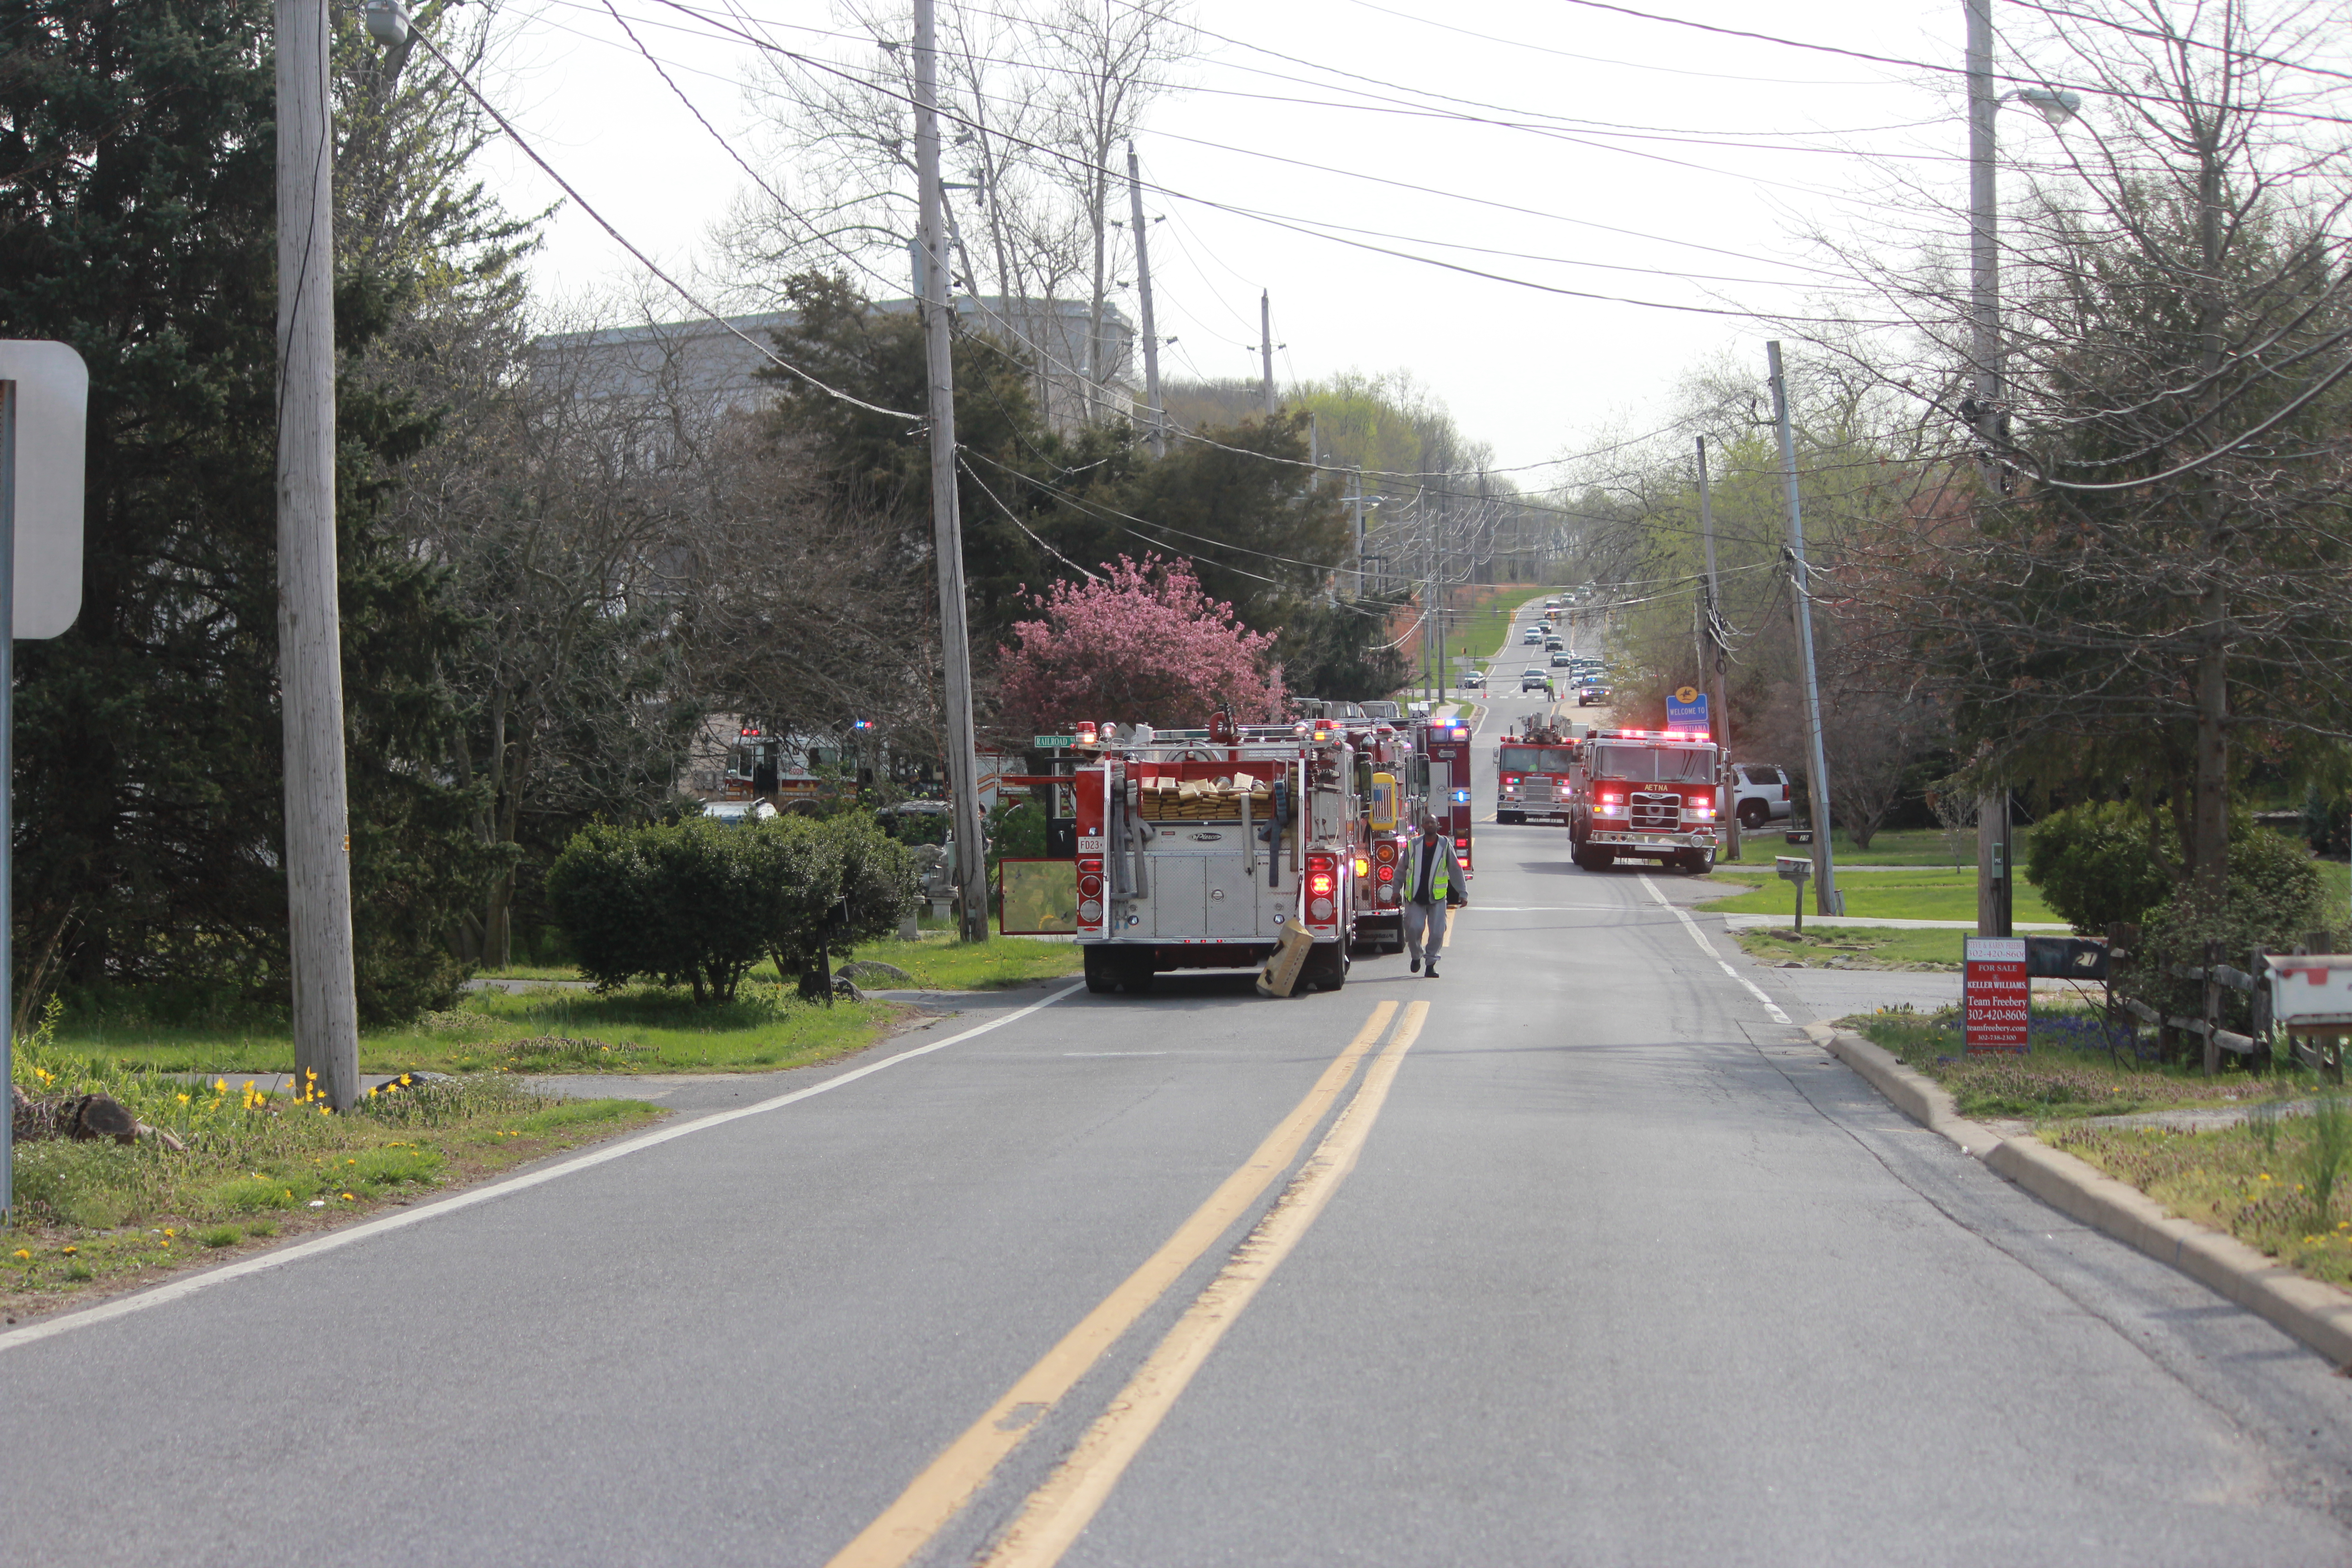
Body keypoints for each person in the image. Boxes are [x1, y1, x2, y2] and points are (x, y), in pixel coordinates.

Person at [1400, 811, 1466, 978]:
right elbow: (1401, 869)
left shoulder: (1445, 845)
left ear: (1438, 826)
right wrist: (1395, 891)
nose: (1430, 825)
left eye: (1433, 823)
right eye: (1427, 822)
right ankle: (1416, 956)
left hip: (1437, 899)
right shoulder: (1413, 844)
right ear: (1422, 826)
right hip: (1415, 897)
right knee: (1414, 929)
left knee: (1437, 933)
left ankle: (1431, 965)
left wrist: (1463, 892)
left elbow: (1456, 870)